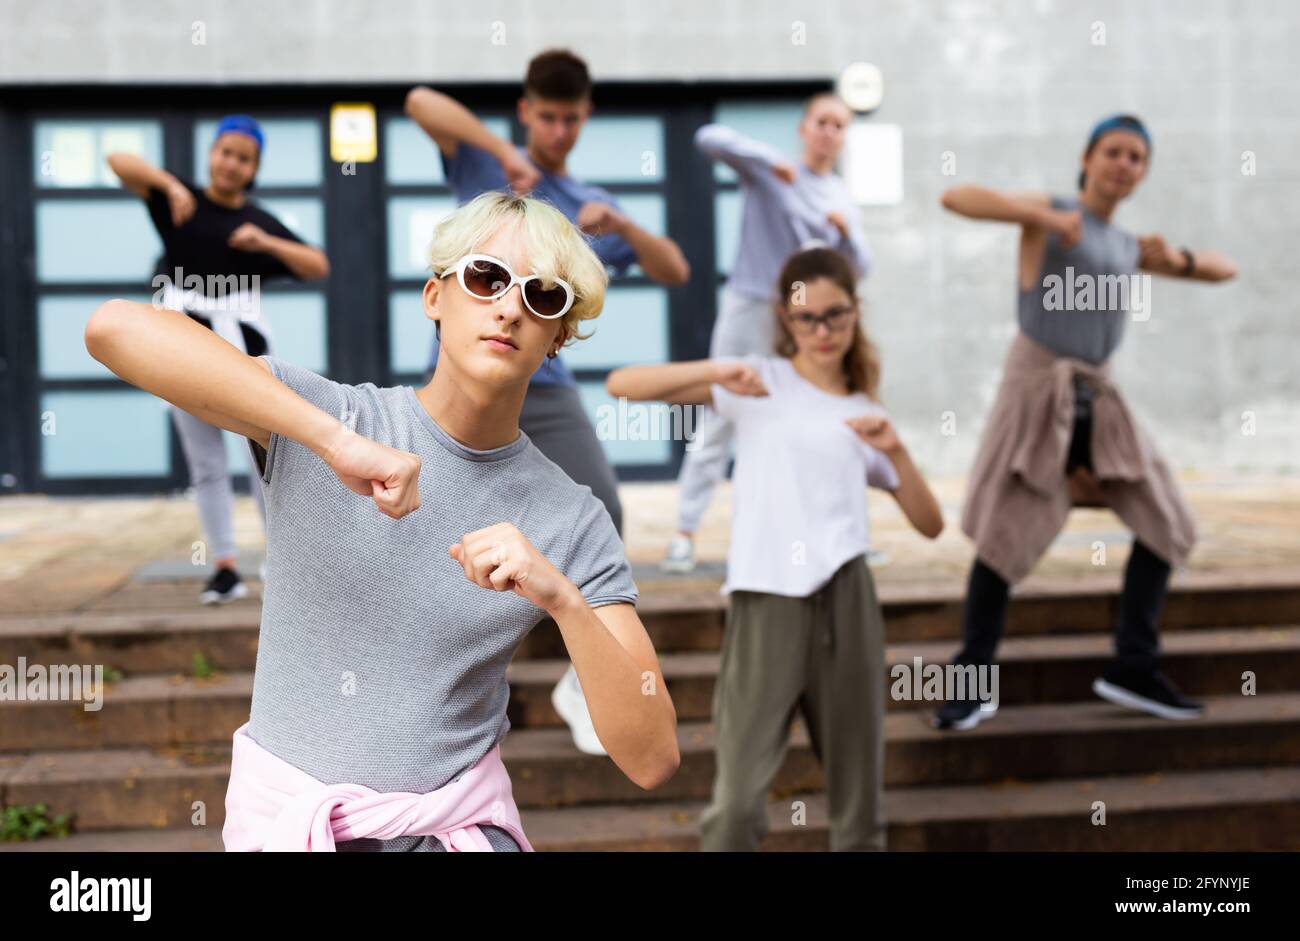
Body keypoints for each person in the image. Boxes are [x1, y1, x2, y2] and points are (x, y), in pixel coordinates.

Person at [85, 191, 680, 852]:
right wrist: (332, 440)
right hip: (290, 827)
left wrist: (565, 601)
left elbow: (652, 756)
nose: (510, 306)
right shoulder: (329, 419)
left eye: (542, 295)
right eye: (487, 277)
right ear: (435, 297)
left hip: (448, 833)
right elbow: (114, 328)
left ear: (556, 337)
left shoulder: (571, 516)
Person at [608, 247, 943, 851]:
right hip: (766, 601)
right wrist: (716, 370)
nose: (822, 331)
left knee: (859, 801)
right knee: (736, 805)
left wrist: (895, 451)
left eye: (835, 315)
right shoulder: (756, 381)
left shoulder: (863, 411)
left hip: (846, 599)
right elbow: (622, 386)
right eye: (806, 318)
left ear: (855, 312)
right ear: (786, 320)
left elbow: (930, 525)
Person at [405, 49, 690, 756]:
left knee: (605, 508)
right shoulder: (485, 169)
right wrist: (503, 150)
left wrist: (621, 228)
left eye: (571, 120)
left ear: (584, 118)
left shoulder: (591, 199)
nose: (559, 132)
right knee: (417, 501)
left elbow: (675, 267)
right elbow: (417, 100)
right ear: (527, 110)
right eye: (547, 117)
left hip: (545, 388)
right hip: (463, 381)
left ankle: (575, 668)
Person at [933, 114, 1239, 731]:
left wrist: (1174, 256)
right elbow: (954, 197)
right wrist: (1043, 219)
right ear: (1088, 156)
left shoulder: (1128, 246)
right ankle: (971, 681)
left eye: (1136, 157)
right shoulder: (1052, 212)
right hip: (1038, 385)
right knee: (1003, 534)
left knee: (1167, 520)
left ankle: (1133, 664)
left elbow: (1223, 268)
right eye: (1113, 152)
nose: (1124, 164)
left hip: (1099, 394)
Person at [106, 115, 330, 604]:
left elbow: (317, 264)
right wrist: (169, 185)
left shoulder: (256, 220)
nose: (231, 164)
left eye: (243, 158)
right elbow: (118, 161)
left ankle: (282, 566)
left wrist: (265, 243)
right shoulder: (178, 201)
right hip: (183, 345)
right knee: (205, 463)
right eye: (225, 152)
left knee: (264, 456)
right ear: (213, 154)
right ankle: (225, 567)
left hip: (242, 347)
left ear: (253, 169)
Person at [662, 92, 873, 574]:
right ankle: (684, 534)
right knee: (720, 412)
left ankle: (829, 536)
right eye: (821, 122)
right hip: (751, 304)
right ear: (804, 128)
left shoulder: (840, 194)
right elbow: (708, 138)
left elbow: (861, 266)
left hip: (803, 318)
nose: (829, 132)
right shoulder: (770, 170)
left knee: (807, 414)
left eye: (839, 126)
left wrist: (849, 234)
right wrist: (768, 159)